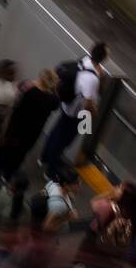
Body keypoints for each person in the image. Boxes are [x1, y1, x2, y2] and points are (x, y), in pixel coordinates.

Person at [40, 42, 107, 177]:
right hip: (77, 113)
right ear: (103, 58)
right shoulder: (92, 79)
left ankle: (44, 157)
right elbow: (88, 104)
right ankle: (50, 170)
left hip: (67, 106)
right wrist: (94, 113)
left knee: (57, 132)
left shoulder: (85, 60)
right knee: (64, 140)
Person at [0, 68, 59, 179]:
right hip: (33, 130)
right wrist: (54, 90)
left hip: (17, 122)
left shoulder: (27, 86)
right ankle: (8, 174)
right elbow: (56, 106)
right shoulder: (52, 99)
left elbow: (16, 99)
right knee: (21, 151)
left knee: (7, 142)